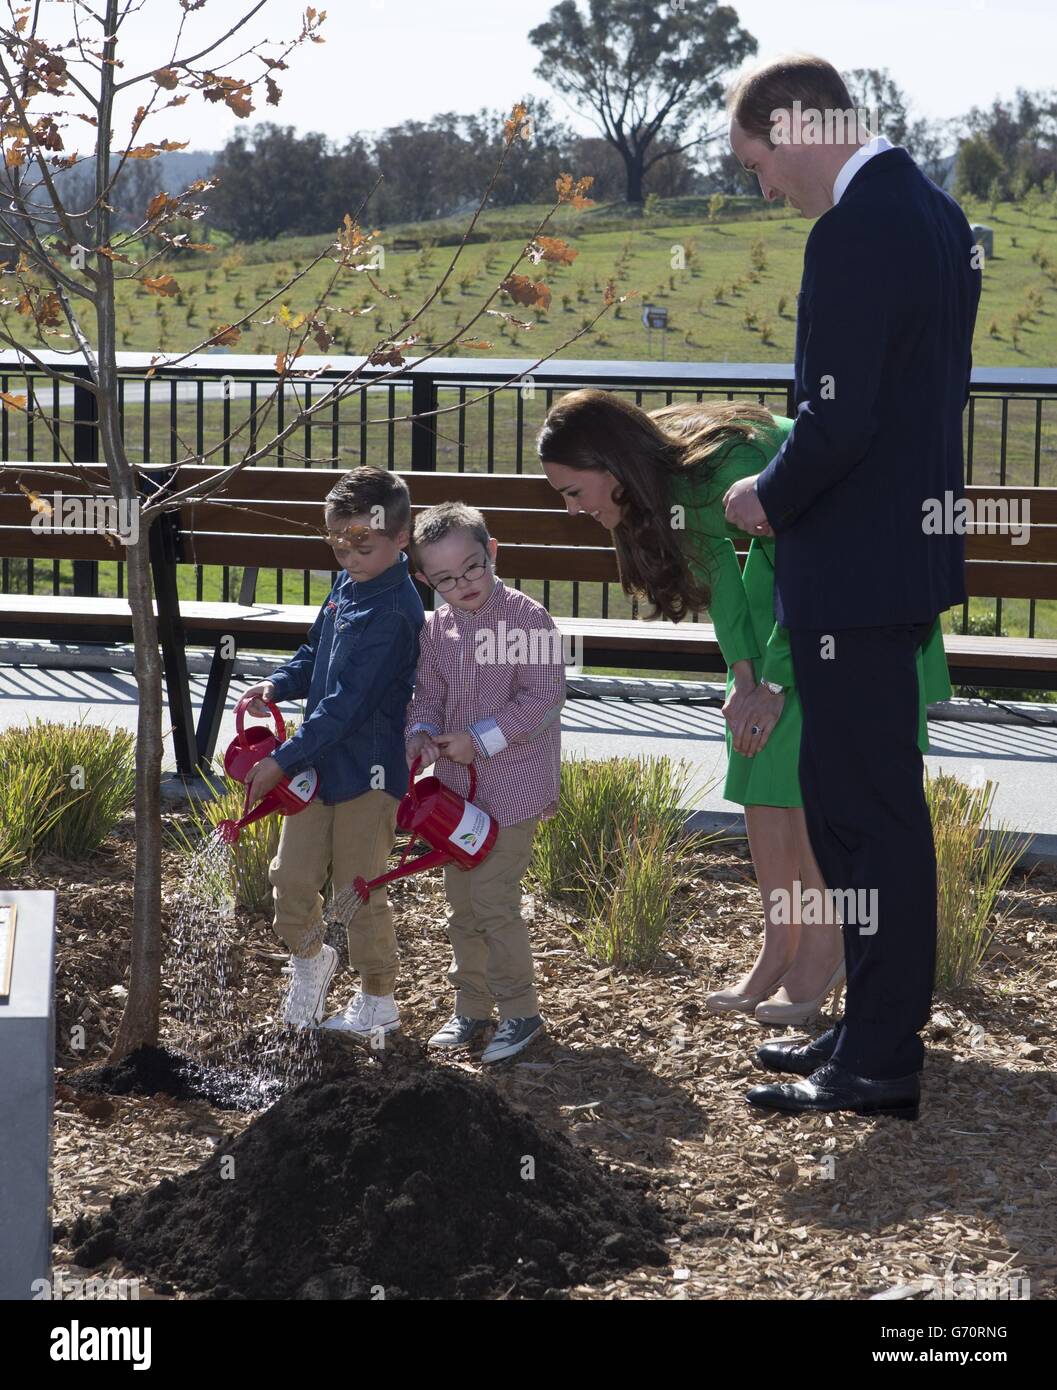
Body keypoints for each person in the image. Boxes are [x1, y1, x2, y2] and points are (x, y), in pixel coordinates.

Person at [722, 54, 981, 1119]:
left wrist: (765, 495)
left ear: (796, 126)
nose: (764, 186)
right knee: (867, 810)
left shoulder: (854, 228)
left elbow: (837, 419)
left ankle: (877, 1059)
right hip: (898, 561)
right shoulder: (934, 213)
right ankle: (871, 1024)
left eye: (757, 162)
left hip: (855, 571)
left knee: (862, 817)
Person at [538, 388, 952, 1032]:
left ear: (610, 464)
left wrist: (776, 684)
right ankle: (780, 945)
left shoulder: (724, 467)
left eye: (572, 491)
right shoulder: (666, 480)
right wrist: (743, 679)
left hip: (856, 584)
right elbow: (721, 582)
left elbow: (821, 565)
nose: (572, 508)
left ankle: (826, 946)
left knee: (801, 770)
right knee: (755, 750)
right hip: (790, 582)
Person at [240, 466, 424, 1035]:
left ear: (401, 537)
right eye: (338, 546)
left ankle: (377, 999)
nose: (349, 558)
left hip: (369, 774)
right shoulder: (348, 584)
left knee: (356, 889)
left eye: (362, 547)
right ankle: (310, 962)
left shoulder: (395, 612)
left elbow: (348, 705)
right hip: (318, 765)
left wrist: (281, 759)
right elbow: (315, 650)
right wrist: (279, 684)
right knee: (291, 877)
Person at [404, 501, 565, 1064]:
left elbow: (544, 700)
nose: (463, 584)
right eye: (445, 579)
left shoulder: (529, 621)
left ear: (492, 552)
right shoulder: (437, 630)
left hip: (514, 790)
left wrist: (480, 737)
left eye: (472, 567)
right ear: (425, 580)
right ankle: (471, 1006)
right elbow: (427, 696)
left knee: (494, 900)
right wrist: (421, 734)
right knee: (462, 906)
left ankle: (520, 1011)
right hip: (457, 797)